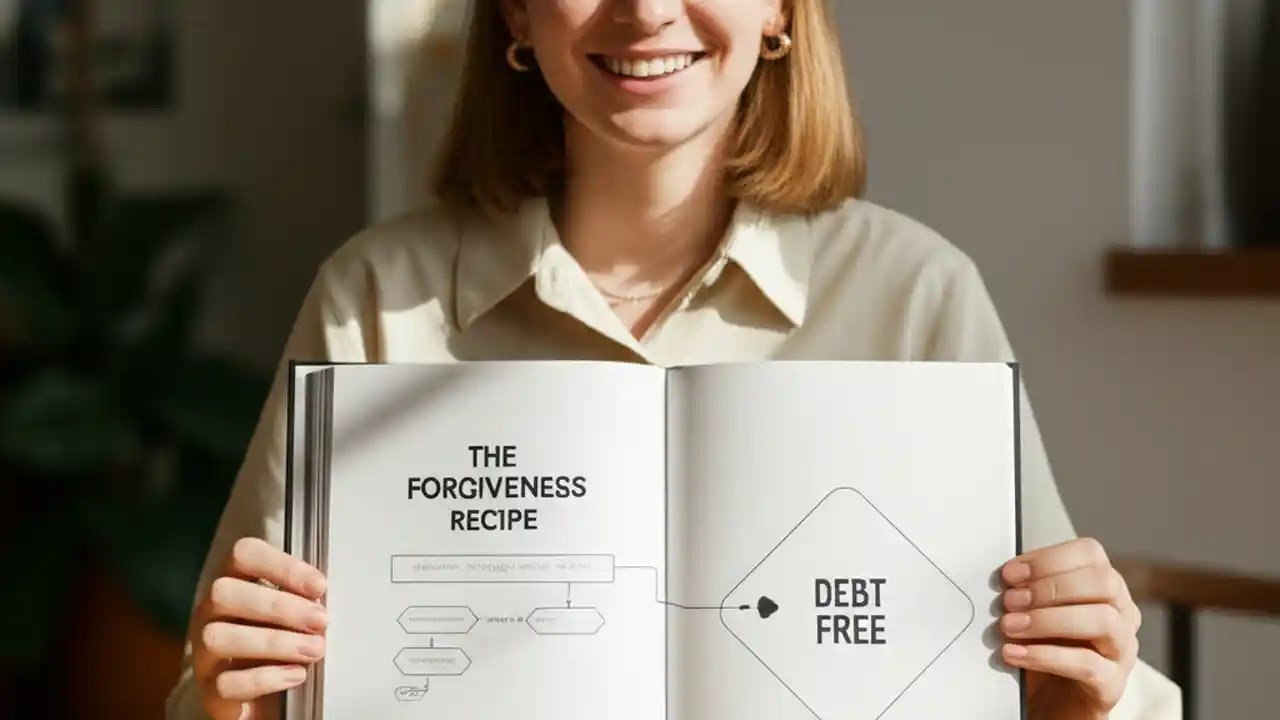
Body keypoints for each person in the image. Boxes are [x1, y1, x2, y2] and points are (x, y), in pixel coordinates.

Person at [166, 1, 1182, 718]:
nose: (646, 9)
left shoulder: (916, 290)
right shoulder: (375, 299)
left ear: (782, 10)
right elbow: (214, 693)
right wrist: (236, 698)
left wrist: (1079, 691)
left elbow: (1062, 686)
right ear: (516, 16)